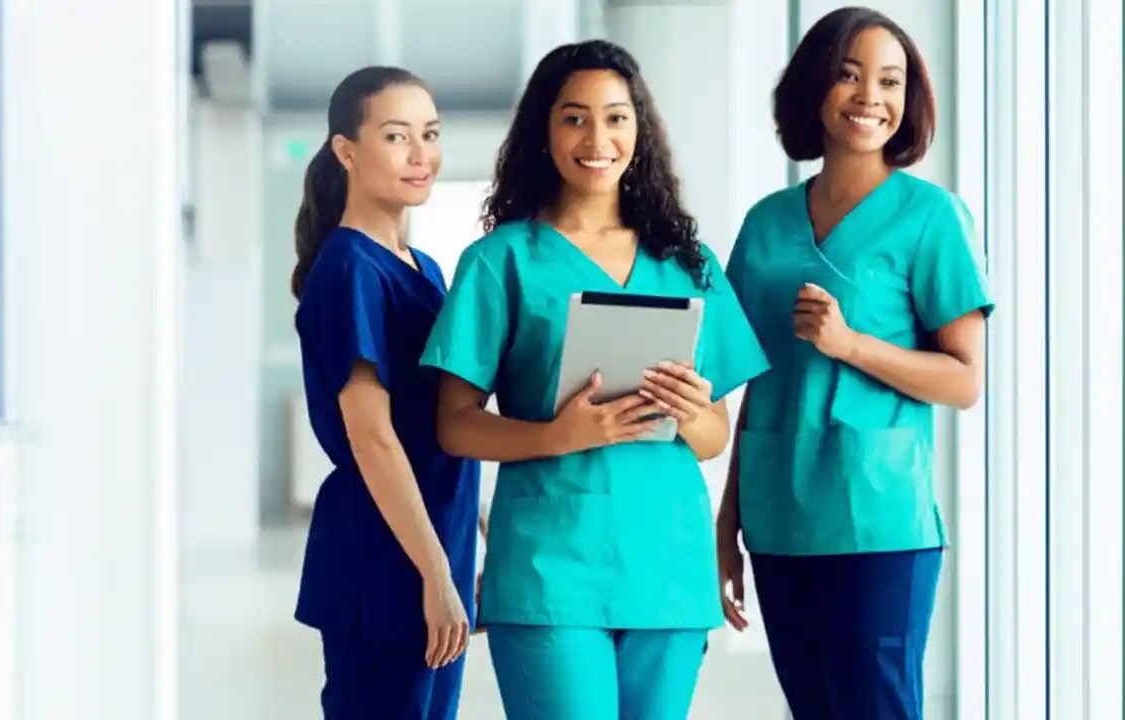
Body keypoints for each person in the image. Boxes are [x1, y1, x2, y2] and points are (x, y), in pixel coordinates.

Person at [420, 40, 768, 719]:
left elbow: (712, 436)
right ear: (543, 133)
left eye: (616, 117)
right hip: (553, 567)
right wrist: (558, 435)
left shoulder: (688, 263)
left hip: (667, 566)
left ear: (639, 130)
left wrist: (694, 409)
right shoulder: (500, 261)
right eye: (574, 118)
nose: (597, 138)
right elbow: (454, 423)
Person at [716, 8, 995, 720]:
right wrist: (728, 523)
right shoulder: (767, 224)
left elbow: (964, 380)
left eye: (890, 81)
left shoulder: (932, 218)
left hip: (879, 523)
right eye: (849, 75)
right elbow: (755, 378)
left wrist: (851, 345)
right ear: (814, 87)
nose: (871, 96)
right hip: (779, 521)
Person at [291, 66, 480, 720]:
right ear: (347, 151)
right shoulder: (348, 271)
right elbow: (372, 435)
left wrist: (475, 532)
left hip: (432, 541)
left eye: (429, 134)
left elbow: (437, 424)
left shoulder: (423, 269)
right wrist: (435, 573)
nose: (421, 154)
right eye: (397, 136)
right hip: (384, 557)